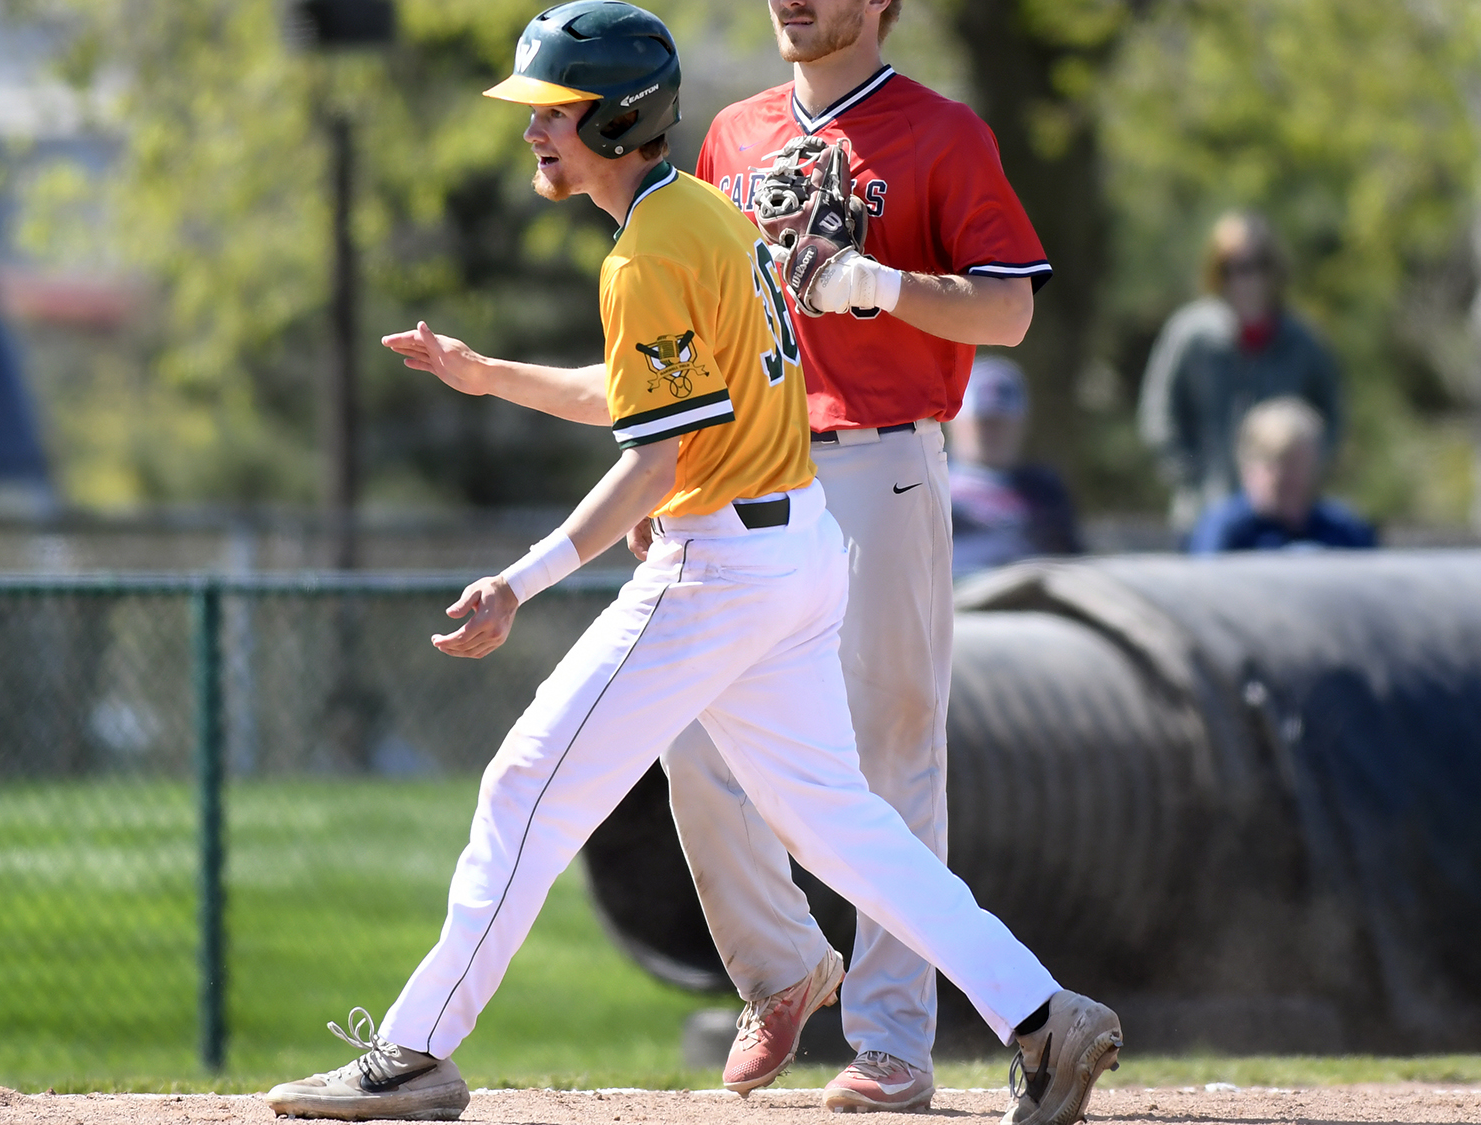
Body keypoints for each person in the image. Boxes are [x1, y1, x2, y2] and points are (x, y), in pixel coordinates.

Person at [265, 6, 1119, 1125]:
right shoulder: (702, 219)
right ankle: (1044, 1016)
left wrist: (519, 582)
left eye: (553, 113)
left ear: (615, 116)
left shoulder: (654, 251)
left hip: (724, 565)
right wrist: (488, 375)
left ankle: (417, 1049)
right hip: (792, 543)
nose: (533, 134)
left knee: (526, 781)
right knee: (841, 827)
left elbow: (656, 453)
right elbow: (660, 410)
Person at [669, 0, 1102, 1115]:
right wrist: (670, 467)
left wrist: (883, 287)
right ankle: (781, 969)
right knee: (687, 724)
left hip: (881, 457)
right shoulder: (731, 134)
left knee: (891, 751)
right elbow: (711, 325)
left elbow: (1007, 312)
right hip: (748, 463)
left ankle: (894, 1045)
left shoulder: (940, 132)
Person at [1138, 210, 1342, 531]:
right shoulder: (1191, 337)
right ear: (1217, 272)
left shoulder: (1302, 342)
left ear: (1276, 270)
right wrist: (1192, 477)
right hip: (1203, 513)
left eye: (1259, 265)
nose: (1247, 279)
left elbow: (1331, 416)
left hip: (1285, 517)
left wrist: (1302, 477)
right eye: (1233, 268)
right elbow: (1159, 416)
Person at [947, 356, 1081, 579]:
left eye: (1001, 422)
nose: (991, 433)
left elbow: (1073, 558)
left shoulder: (1045, 490)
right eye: (982, 422)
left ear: (1021, 424)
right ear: (954, 423)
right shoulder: (927, 485)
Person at [1186, 397, 1375, 553]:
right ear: (1249, 467)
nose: (1290, 476)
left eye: (1300, 464)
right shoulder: (1226, 531)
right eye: (1279, 462)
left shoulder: (1342, 529)